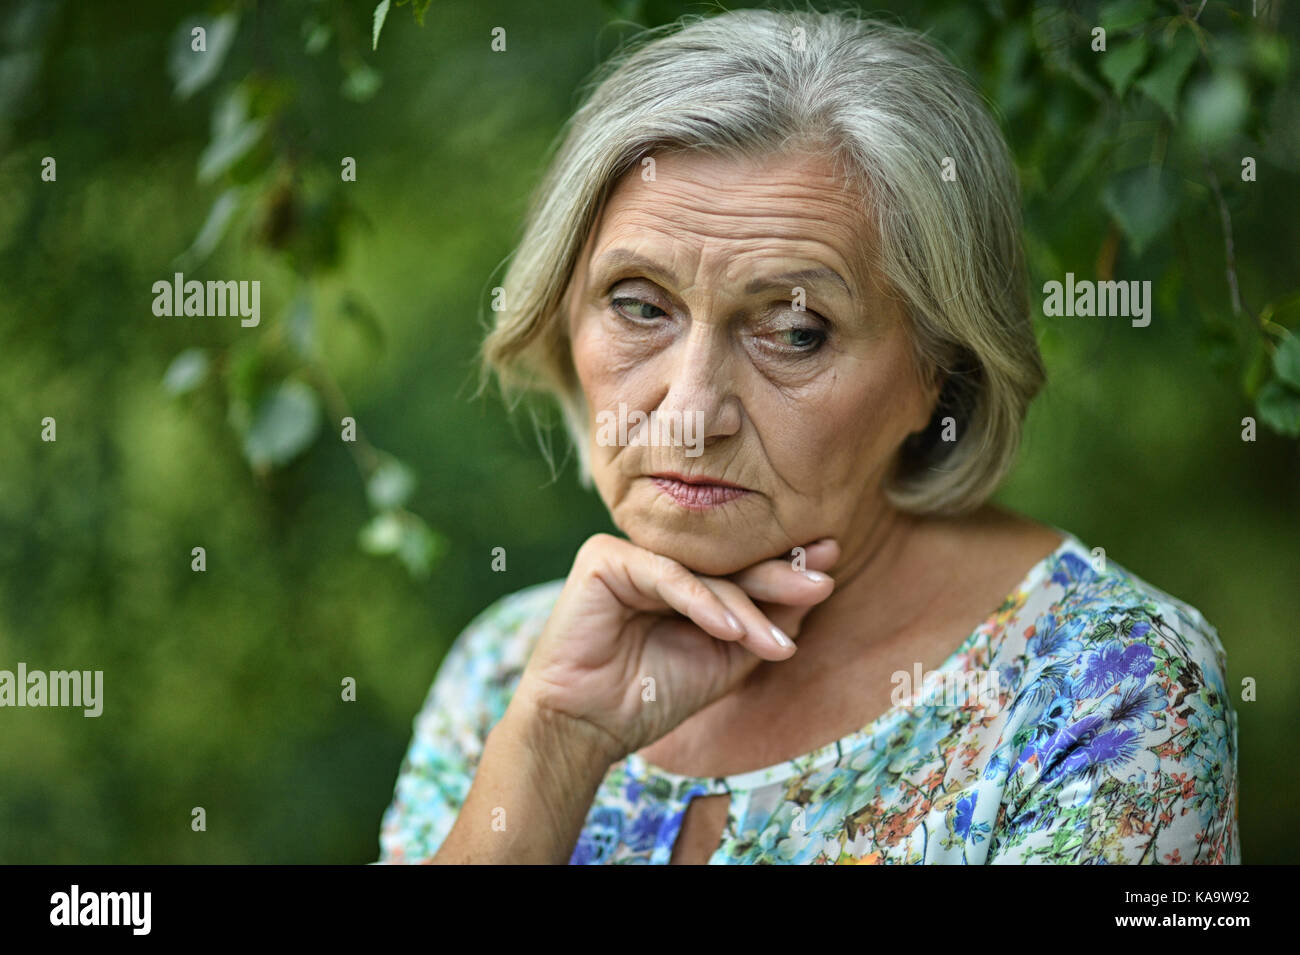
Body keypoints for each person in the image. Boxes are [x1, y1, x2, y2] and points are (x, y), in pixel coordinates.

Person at [377, 9, 1238, 864]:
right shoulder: (510, 669)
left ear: (939, 368)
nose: (688, 411)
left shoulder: (1108, 683)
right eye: (640, 306)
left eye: (794, 333)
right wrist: (555, 748)